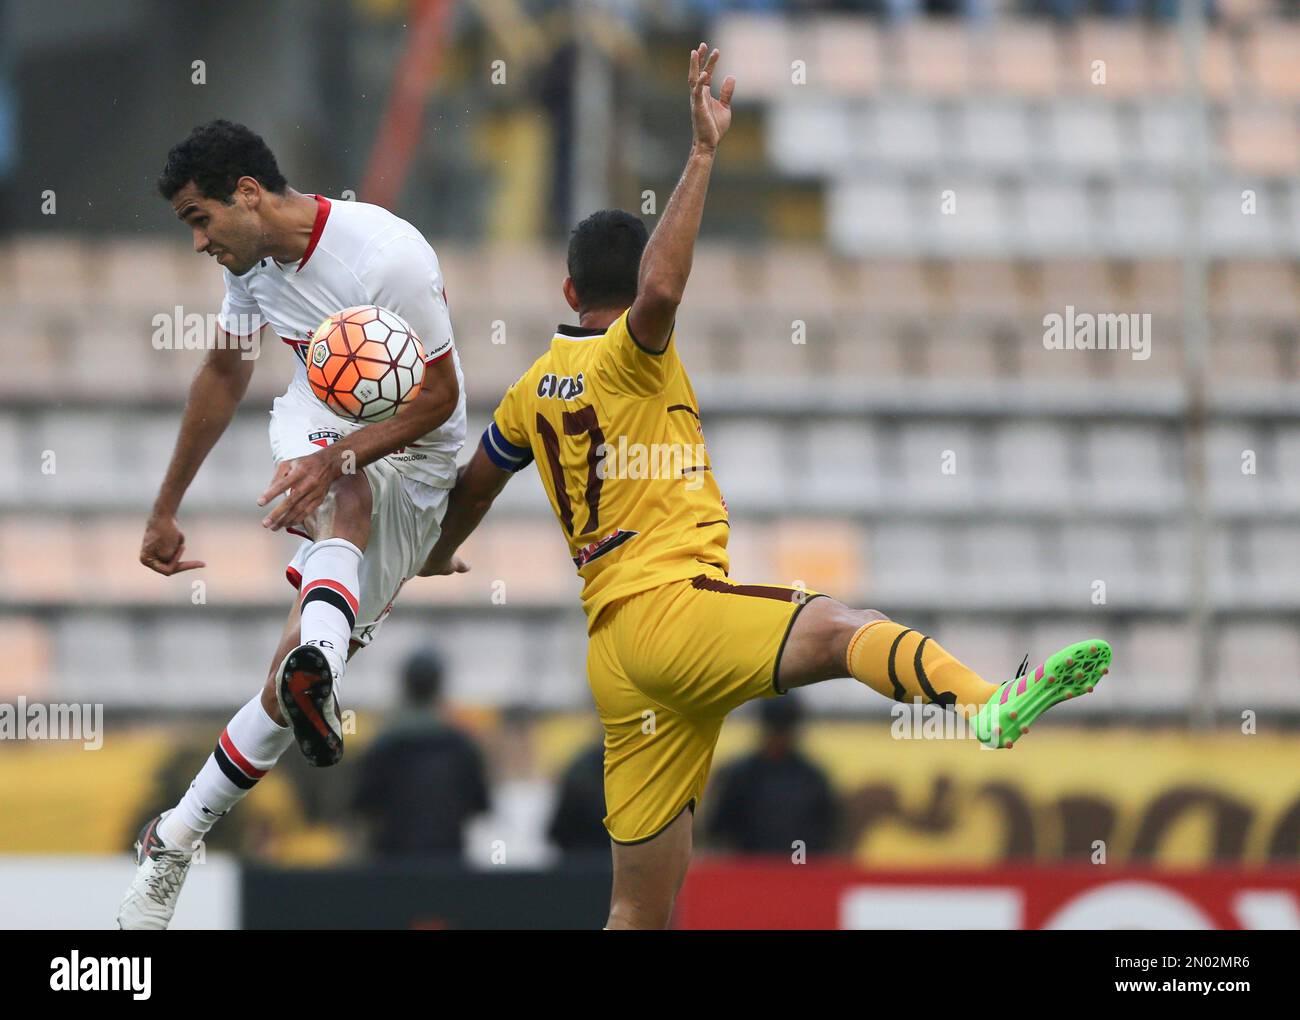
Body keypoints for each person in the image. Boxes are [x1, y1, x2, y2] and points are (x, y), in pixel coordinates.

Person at [418, 44, 1112, 929]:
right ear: (625, 293)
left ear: (564, 287)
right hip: (672, 608)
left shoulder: (526, 392)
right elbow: (664, 286)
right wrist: (702, 154)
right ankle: (985, 703)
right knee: (838, 627)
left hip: (617, 658)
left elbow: (473, 488)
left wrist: (436, 553)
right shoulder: (633, 354)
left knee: (637, 909)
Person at [117, 120, 468, 929]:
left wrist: (343, 455)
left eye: (200, 218)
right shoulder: (254, 267)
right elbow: (226, 368)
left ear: (247, 194)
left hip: (417, 458)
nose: (199, 242)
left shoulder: (388, 257)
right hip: (320, 415)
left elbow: (442, 398)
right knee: (344, 488)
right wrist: (165, 507)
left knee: (280, 690)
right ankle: (322, 656)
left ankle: (175, 837)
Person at [351, 649, 489, 858]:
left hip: (393, 864)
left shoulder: (383, 746)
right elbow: (480, 804)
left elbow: (363, 805)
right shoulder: (461, 747)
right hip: (447, 863)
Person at [706, 695, 836, 856]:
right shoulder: (738, 776)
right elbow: (719, 833)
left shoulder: (813, 778)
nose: (779, 737)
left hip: (798, 871)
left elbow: (828, 833)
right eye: (775, 728)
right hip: (748, 872)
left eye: (784, 729)